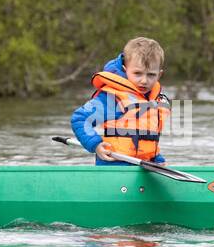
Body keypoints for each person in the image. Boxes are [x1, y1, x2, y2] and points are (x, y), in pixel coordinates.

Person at [71, 37, 171, 165]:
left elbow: (147, 139)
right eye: (137, 73)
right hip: (114, 167)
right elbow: (80, 119)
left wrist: (157, 160)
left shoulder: (155, 101)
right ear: (125, 69)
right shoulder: (112, 98)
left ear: (159, 74)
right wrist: (95, 145)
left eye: (151, 75)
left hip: (144, 167)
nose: (144, 80)